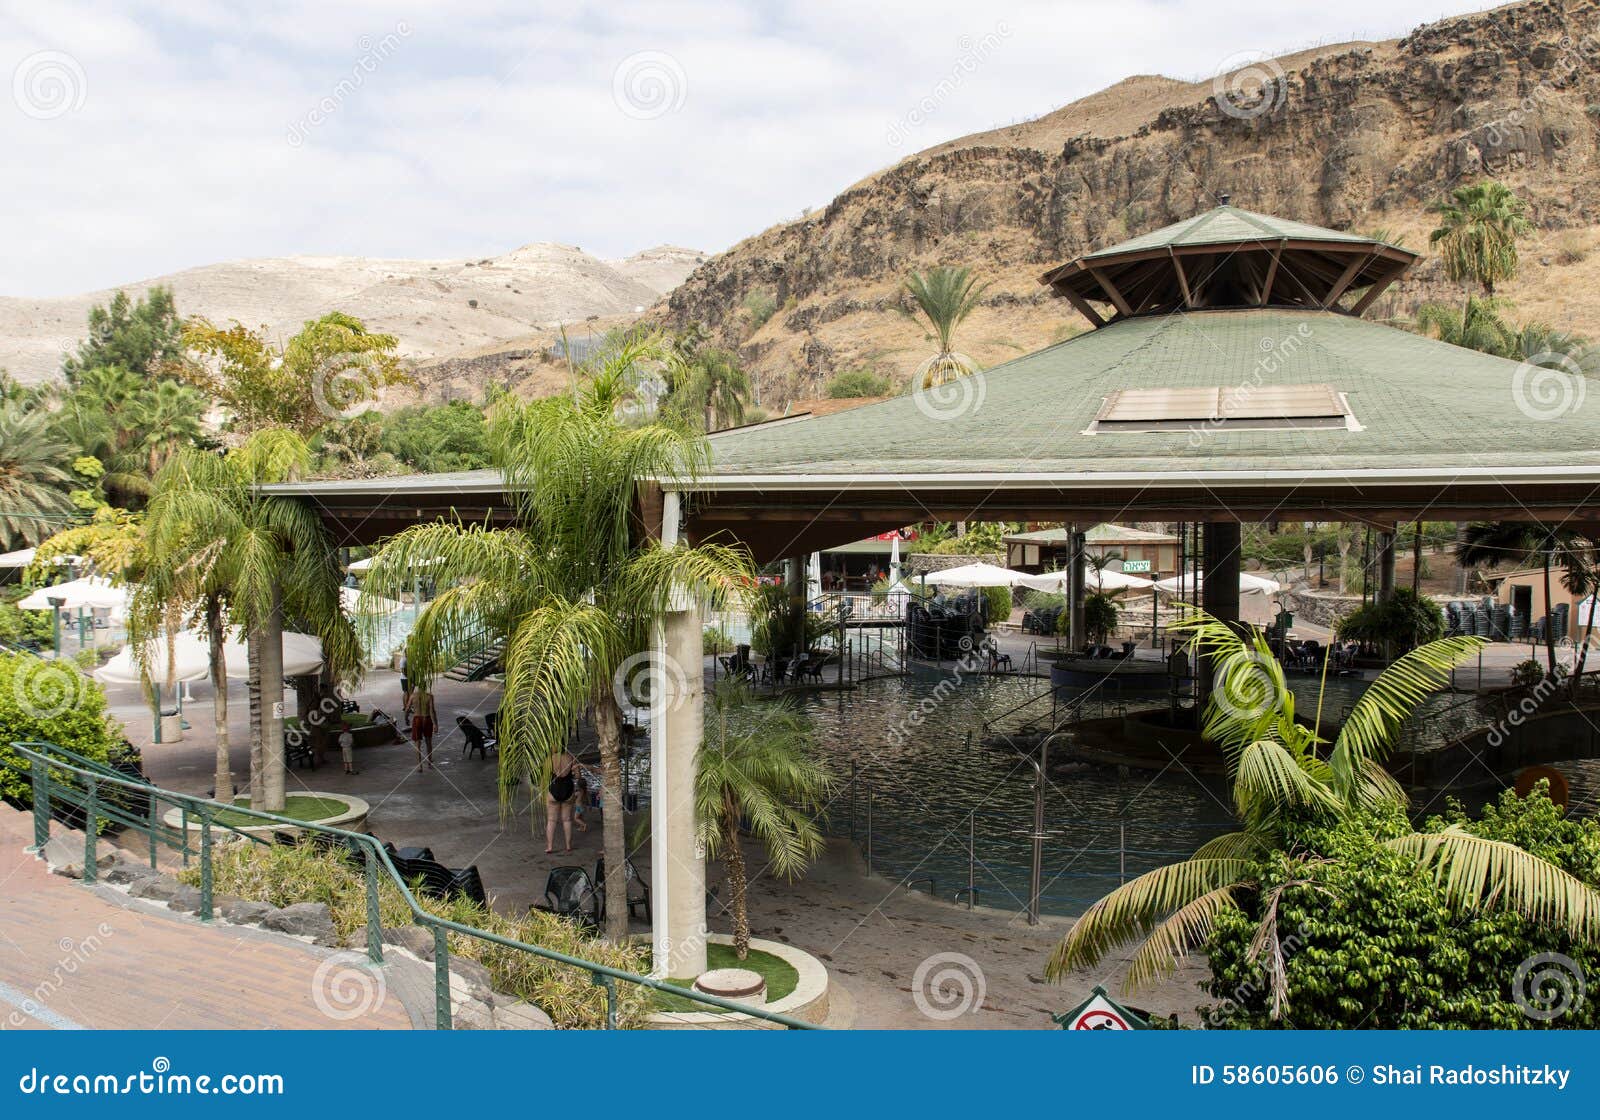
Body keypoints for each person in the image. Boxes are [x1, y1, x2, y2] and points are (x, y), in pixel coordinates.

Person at [546, 748, 581, 854]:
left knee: (551, 820)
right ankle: (568, 845)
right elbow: (578, 776)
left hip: (554, 789)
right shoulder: (571, 756)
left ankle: (550, 847)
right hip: (568, 789)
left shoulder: (550, 758)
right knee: (567, 820)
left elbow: (545, 775)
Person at [409, 681, 436, 772]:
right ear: (425, 687)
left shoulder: (413, 696)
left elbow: (407, 708)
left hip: (417, 719)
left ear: (418, 687)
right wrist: (435, 724)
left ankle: (420, 766)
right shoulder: (429, 696)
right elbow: (432, 711)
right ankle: (429, 762)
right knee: (428, 742)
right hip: (427, 718)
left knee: (418, 744)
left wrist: (405, 718)